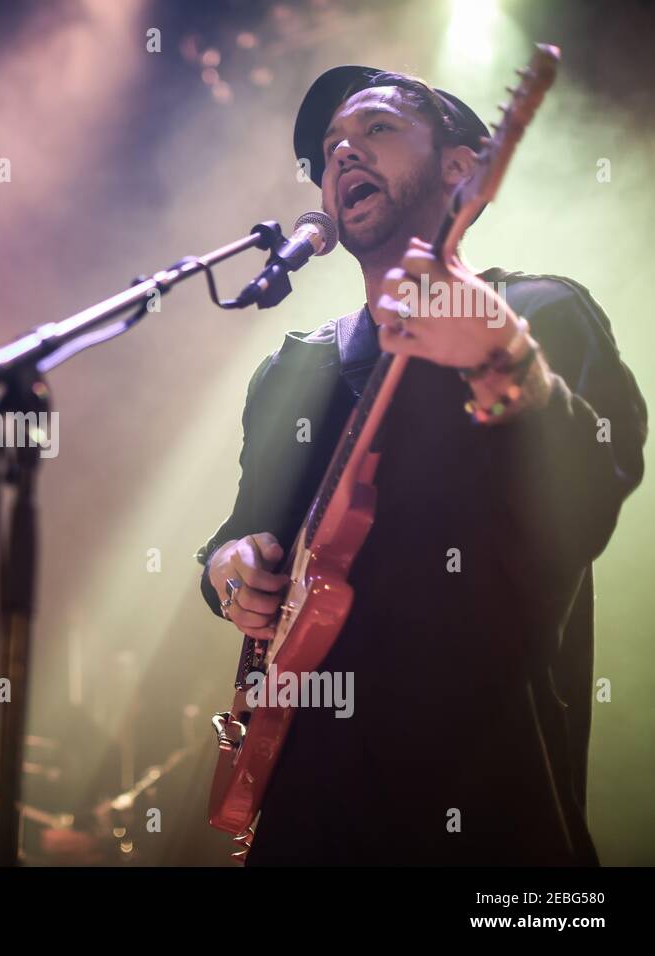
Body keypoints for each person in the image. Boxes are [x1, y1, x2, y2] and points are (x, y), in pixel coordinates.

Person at [197, 66, 647, 865]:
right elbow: (237, 539)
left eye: (374, 130)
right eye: (330, 148)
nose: (341, 155)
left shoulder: (537, 314)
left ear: (462, 167)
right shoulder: (293, 371)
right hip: (306, 814)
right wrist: (228, 571)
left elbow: (585, 502)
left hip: (487, 806)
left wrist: (502, 356)